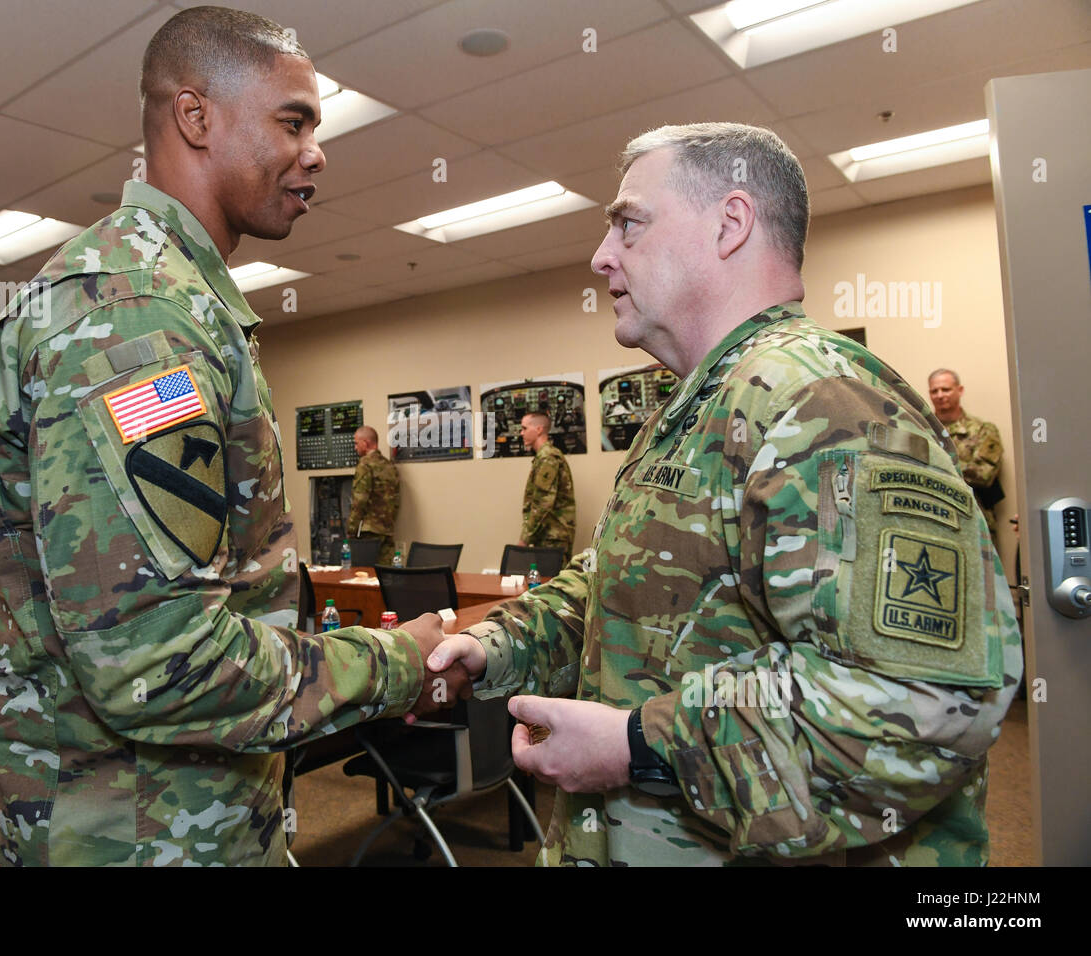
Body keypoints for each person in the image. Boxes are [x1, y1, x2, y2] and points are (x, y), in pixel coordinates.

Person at [430, 123, 1022, 866]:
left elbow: (921, 704)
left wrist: (639, 745)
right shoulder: (692, 411)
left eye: (628, 224)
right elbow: (621, 590)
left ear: (730, 225)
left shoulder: (823, 403)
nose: (601, 255)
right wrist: (495, 647)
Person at [0, 6, 464, 867]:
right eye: (293, 121)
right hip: (142, 837)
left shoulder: (172, 300)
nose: (317, 152)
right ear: (196, 117)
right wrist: (394, 664)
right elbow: (154, 662)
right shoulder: (136, 316)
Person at [928, 369, 1005, 544]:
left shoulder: (983, 430)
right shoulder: (922, 430)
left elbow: (983, 475)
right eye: (934, 391)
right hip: (931, 517)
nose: (940, 395)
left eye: (946, 389)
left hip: (974, 519)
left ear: (959, 390)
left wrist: (935, 466)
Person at [517, 412, 576, 561]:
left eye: (524, 428)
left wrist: (524, 539)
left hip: (552, 538)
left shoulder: (548, 458)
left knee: (551, 583)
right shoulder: (543, 457)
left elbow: (543, 502)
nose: (521, 433)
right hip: (547, 536)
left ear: (538, 429)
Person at [345, 425, 399, 564]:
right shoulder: (389, 465)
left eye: (356, 443)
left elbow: (359, 500)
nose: (355, 447)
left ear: (365, 443)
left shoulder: (365, 464)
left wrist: (351, 529)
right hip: (387, 530)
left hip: (369, 533)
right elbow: (396, 500)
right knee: (385, 576)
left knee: (365, 576)